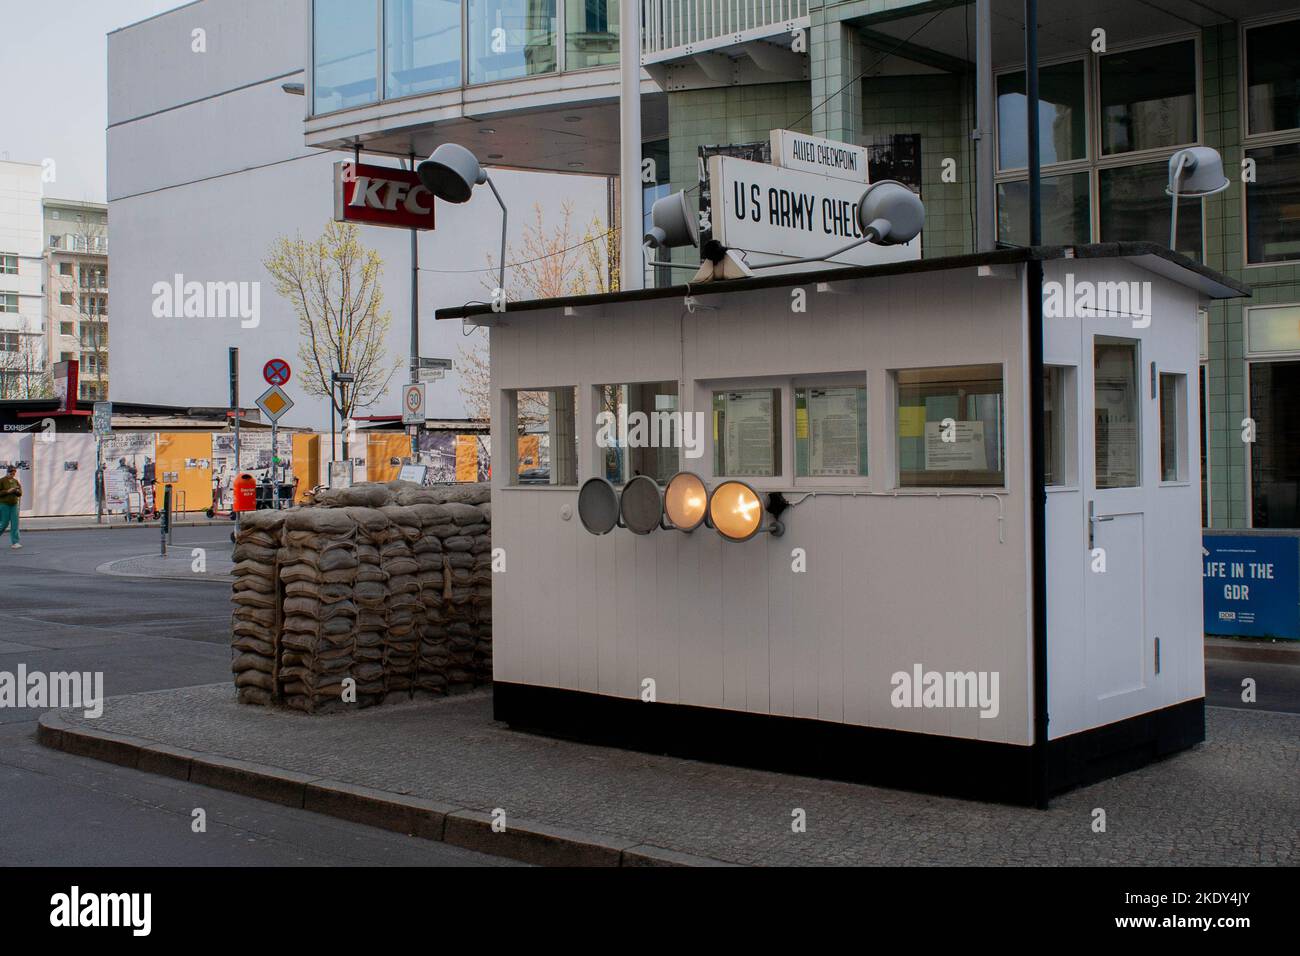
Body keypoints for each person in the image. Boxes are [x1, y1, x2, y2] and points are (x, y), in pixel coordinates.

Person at [0, 465, 22, 549]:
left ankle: (15, 542)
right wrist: (7, 491)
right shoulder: (2, 481)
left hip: (14, 505)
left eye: (14, 473)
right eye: (11, 473)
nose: (12, 475)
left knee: (15, 523)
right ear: (7, 472)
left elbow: (20, 493)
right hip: (4, 505)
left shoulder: (15, 481)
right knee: (4, 524)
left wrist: (16, 491)